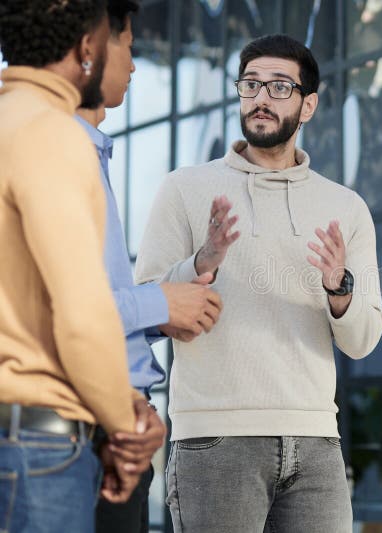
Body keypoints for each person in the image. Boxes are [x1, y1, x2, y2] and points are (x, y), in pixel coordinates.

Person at [134, 34, 382, 532]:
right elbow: (146, 309)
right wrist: (200, 262)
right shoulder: (185, 188)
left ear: (308, 105)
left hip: (317, 445)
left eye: (278, 86)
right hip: (215, 441)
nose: (261, 98)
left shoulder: (346, 207)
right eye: (250, 85)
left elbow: (362, 342)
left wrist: (339, 287)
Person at [73, 1, 224, 531]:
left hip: (114, 433)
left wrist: (168, 304)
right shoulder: (61, 153)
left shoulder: (91, 155)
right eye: (130, 46)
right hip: (84, 435)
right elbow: (55, 311)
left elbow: (94, 307)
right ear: (93, 46)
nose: (134, 65)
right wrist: (161, 301)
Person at [0, 0, 147, 530]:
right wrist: (126, 423)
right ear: (87, 48)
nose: (128, 61)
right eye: (115, 40)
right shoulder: (51, 134)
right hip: (33, 448)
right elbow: (83, 317)